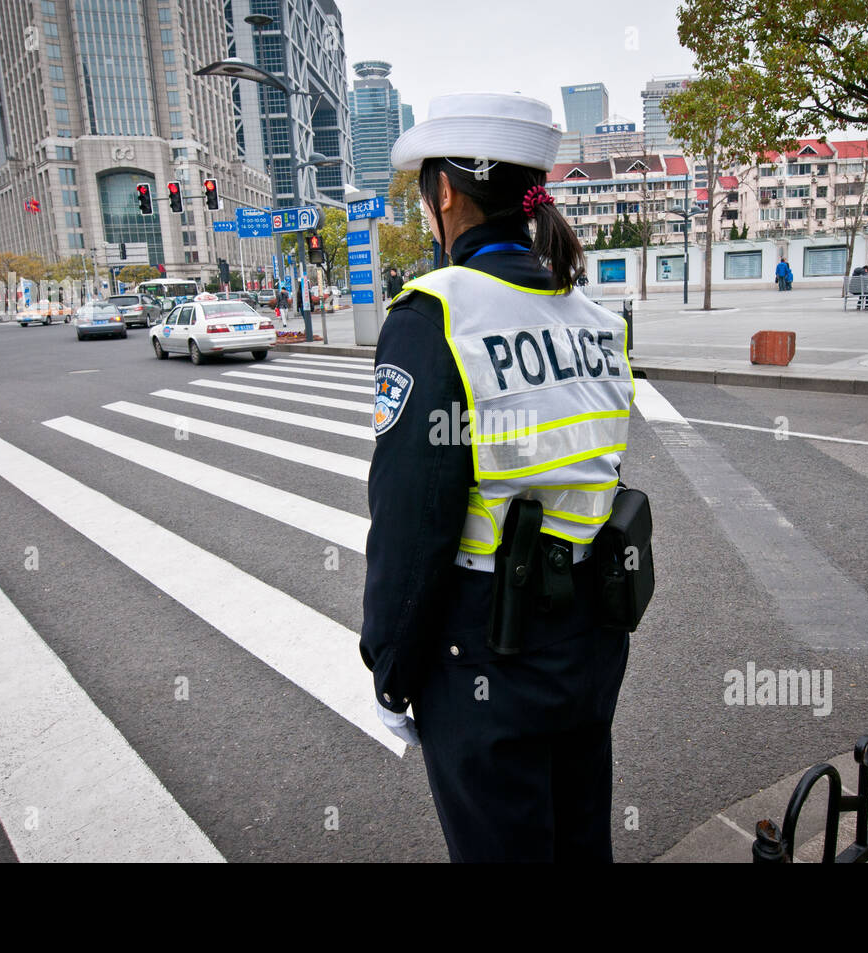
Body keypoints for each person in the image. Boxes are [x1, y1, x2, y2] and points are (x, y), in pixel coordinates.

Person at [360, 92, 637, 862]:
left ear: (444, 192)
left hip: (487, 647)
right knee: (581, 843)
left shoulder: (437, 314)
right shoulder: (595, 318)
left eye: (426, 191)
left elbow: (416, 521)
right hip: (589, 636)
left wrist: (391, 665)